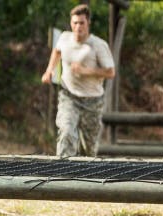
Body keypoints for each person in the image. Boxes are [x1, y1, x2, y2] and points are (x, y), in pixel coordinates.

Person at [42, 4, 115, 157]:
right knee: (66, 132)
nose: (78, 27)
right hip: (68, 95)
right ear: (71, 23)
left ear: (88, 23)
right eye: (75, 23)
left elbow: (110, 72)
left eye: (81, 23)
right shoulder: (64, 38)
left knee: (88, 149)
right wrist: (49, 70)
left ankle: (84, 178)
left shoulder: (98, 45)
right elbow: (56, 52)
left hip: (92, 101)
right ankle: (62, 175)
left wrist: (86, 71)